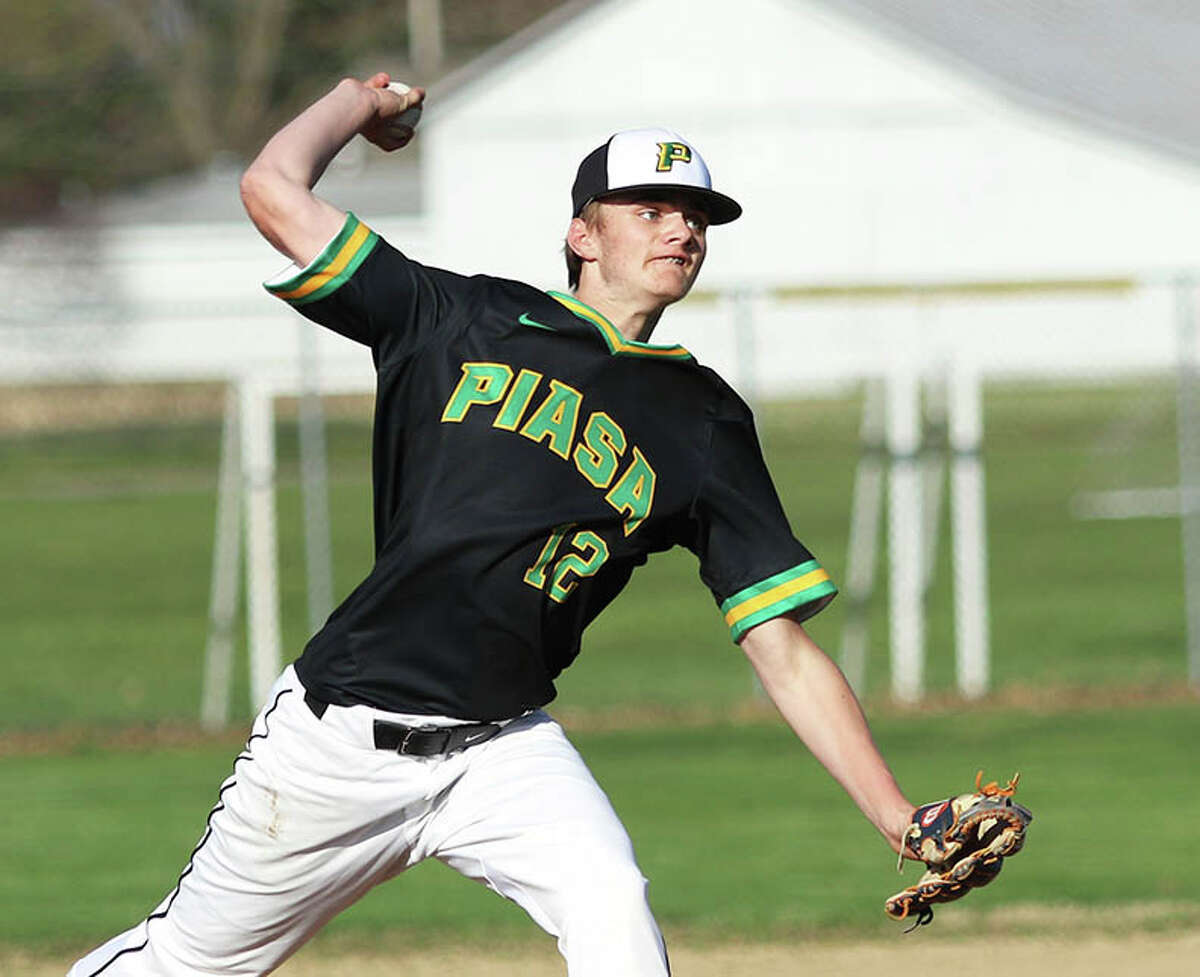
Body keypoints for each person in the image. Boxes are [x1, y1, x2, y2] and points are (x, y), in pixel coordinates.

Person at [68, 73, 916, 977]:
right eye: (651, 207)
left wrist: (899, 817)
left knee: (616, 919)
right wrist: (363, 102)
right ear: (581, 233)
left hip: (503, 745)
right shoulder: (459, 320)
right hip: (339, 740)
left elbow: (778, 645)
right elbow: (272, 189)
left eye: (696, 216)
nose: (682, 229)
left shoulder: (705, 421)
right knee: (187, 963)